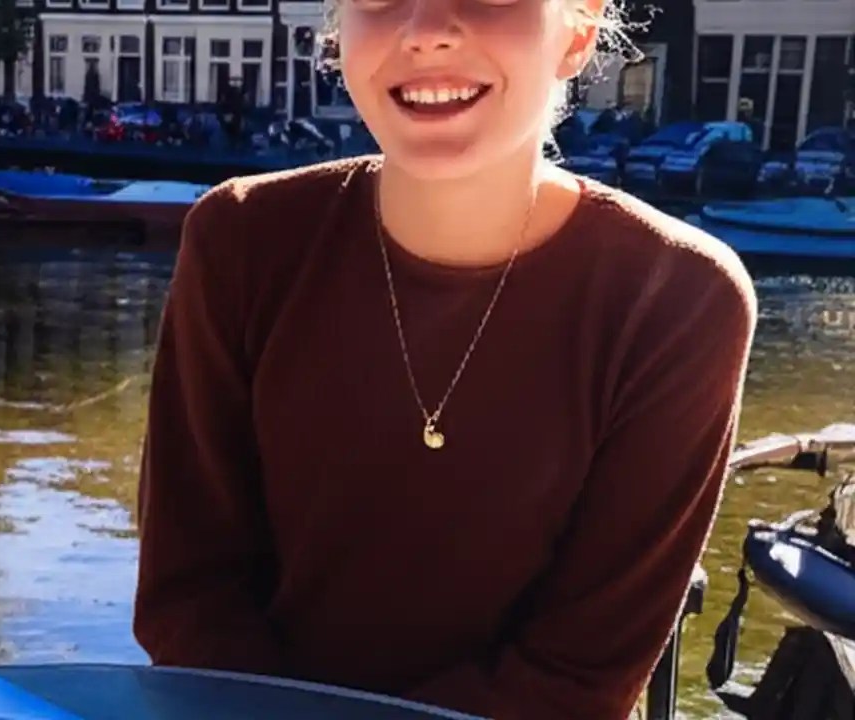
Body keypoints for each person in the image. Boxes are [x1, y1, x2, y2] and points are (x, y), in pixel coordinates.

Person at [131, 0, 758, 716]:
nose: (425, 27)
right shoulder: (240, 240)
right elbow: (190, 597)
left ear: (578, 32)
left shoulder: (681, 299)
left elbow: (579, 674)